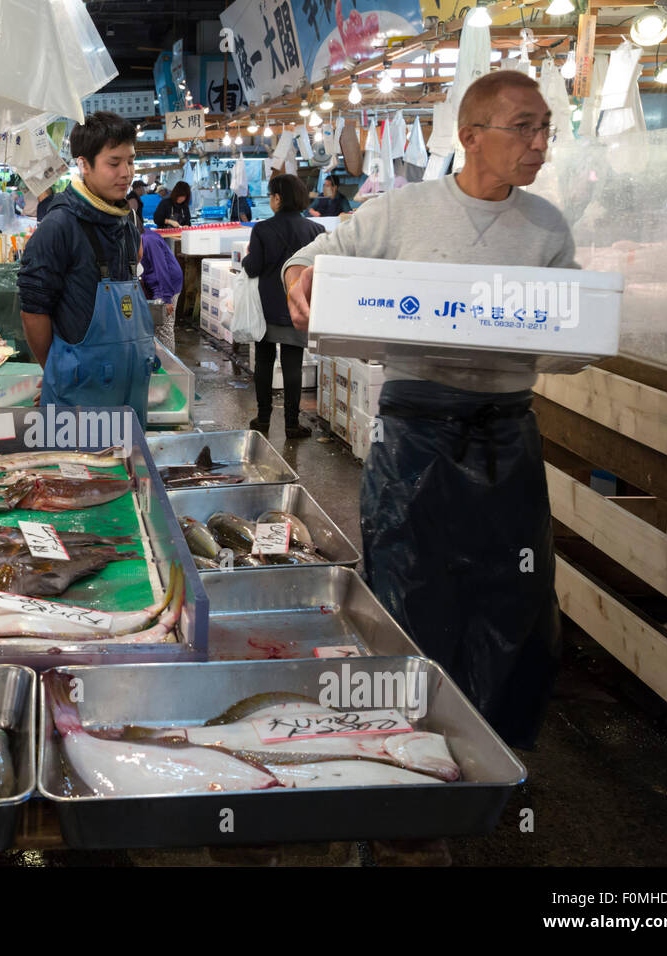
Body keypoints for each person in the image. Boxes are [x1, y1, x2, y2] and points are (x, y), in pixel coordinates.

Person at [283, 71, 576, 748]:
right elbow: (309, 258)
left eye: (545, 130)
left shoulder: (547, 228)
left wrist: (566, 342)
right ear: (471, 137)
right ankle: (402, 743)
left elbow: (567, 340)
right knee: (410, 588)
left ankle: (487, 747)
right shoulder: (401, 211)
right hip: (415, 433)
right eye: (524, 128)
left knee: (516, 595)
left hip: (508, 433)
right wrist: (302, 276)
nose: (540, 146)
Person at [17, 111, 155, 423]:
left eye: (130, 161)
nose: (126, 172)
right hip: (78, 399)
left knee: (124, 470)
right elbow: (33, 311)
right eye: (114, 162)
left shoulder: (127, 223)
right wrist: (56, 373)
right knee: (81, 473)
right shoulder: (58, 226)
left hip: (130, 396)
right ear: (84, 164)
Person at [242, 174, 323, 439]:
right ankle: (291, 424)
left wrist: (246, 260)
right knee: (292, 365)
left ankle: (263, 420)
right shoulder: (315, 231)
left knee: (264, 363)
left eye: (270, 196)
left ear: (277, 198)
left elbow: (254, 267)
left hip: (267, 308)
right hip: (297, 306)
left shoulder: (262, 229)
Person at [140, 223, 183, 353]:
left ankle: (169, 366)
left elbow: (161, 269)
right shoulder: (138, 238)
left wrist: (166, 298)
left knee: (164, 326)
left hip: (167, 284)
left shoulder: (149, 240)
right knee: (154, 325)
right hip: (153, 283)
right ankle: (158, 359)